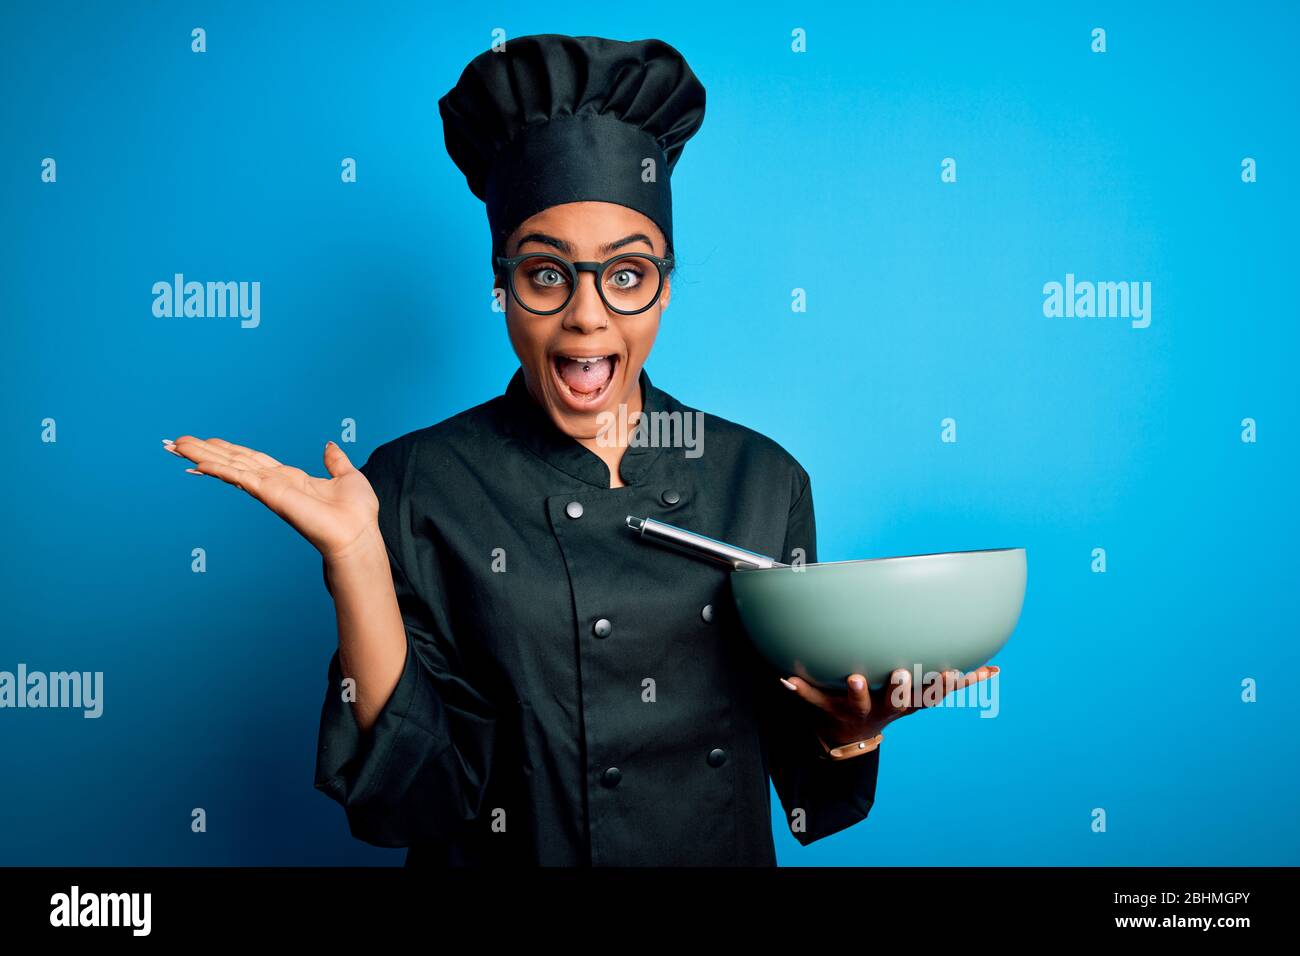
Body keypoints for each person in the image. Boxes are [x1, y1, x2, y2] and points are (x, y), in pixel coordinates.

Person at [162, 33, 993, 866]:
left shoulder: (763, 481)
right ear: (503, 283)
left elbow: (808, 799)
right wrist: (355, 559)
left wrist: (848, 732)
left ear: (665, 285)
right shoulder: (416, 483)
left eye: (627, 275)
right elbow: (417, 800)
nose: (588, 315)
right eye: (547, 273)